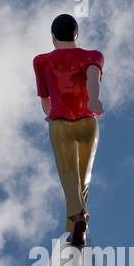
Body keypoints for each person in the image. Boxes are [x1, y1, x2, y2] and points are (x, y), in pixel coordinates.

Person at [33, 14, 104, 248]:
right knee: (84, 178)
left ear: (53, 38)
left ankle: (77, 218)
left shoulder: (42, 61)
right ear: (76, 35)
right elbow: (92, 76)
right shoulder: (92, 56)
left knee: (69, 175)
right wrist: (94, 99)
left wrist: (51, 109)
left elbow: (45, 101)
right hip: (87, 121)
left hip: (60, 123)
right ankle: (75, 225)